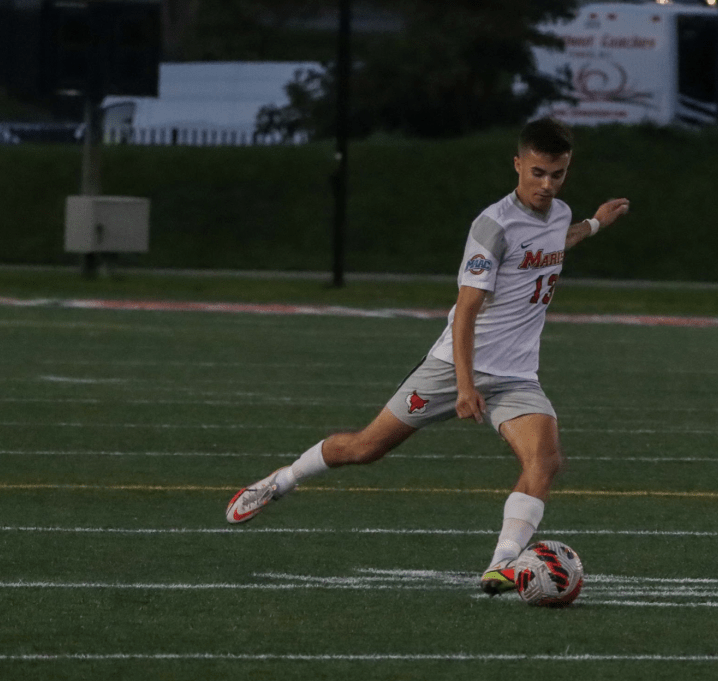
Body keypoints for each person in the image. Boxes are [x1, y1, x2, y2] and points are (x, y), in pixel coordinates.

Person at [226, 117, 630, 595]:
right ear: (517, 164)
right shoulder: (492, 226)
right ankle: (282, 479)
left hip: (518, 376)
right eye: (537, 172)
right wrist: (464, 385)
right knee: (366, 448)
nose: (546, 185)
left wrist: (597, 222)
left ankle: (500, 565)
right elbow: (465, 312)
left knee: (545, 461)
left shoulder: (559, 213)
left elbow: (557, 241)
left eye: (557, 174)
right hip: (450, 369)